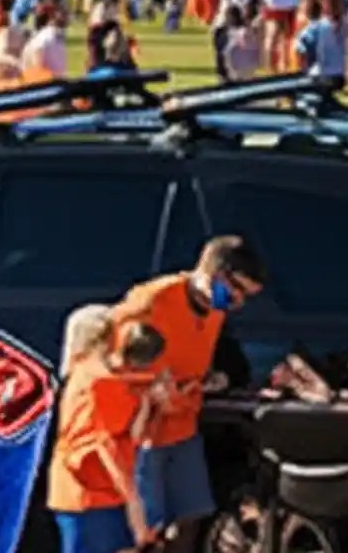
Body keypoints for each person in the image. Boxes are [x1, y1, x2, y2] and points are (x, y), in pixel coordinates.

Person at [108, 236, 266, 553]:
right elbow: (114, 364)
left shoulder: (213, 309)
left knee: (190, 517)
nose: (238, 303)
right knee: (143, 529)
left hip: (182, 426)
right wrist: (153, 385)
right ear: (215, 275)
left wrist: (215, 377)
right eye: (237, 292)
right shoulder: (151, 303)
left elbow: (200, 356)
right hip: (143, 432)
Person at [48, 305, 168, 553]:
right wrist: (134, 506)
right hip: (93, 494)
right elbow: (109, 446)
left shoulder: (85, 374)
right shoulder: (102, 384)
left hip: (86, 493)